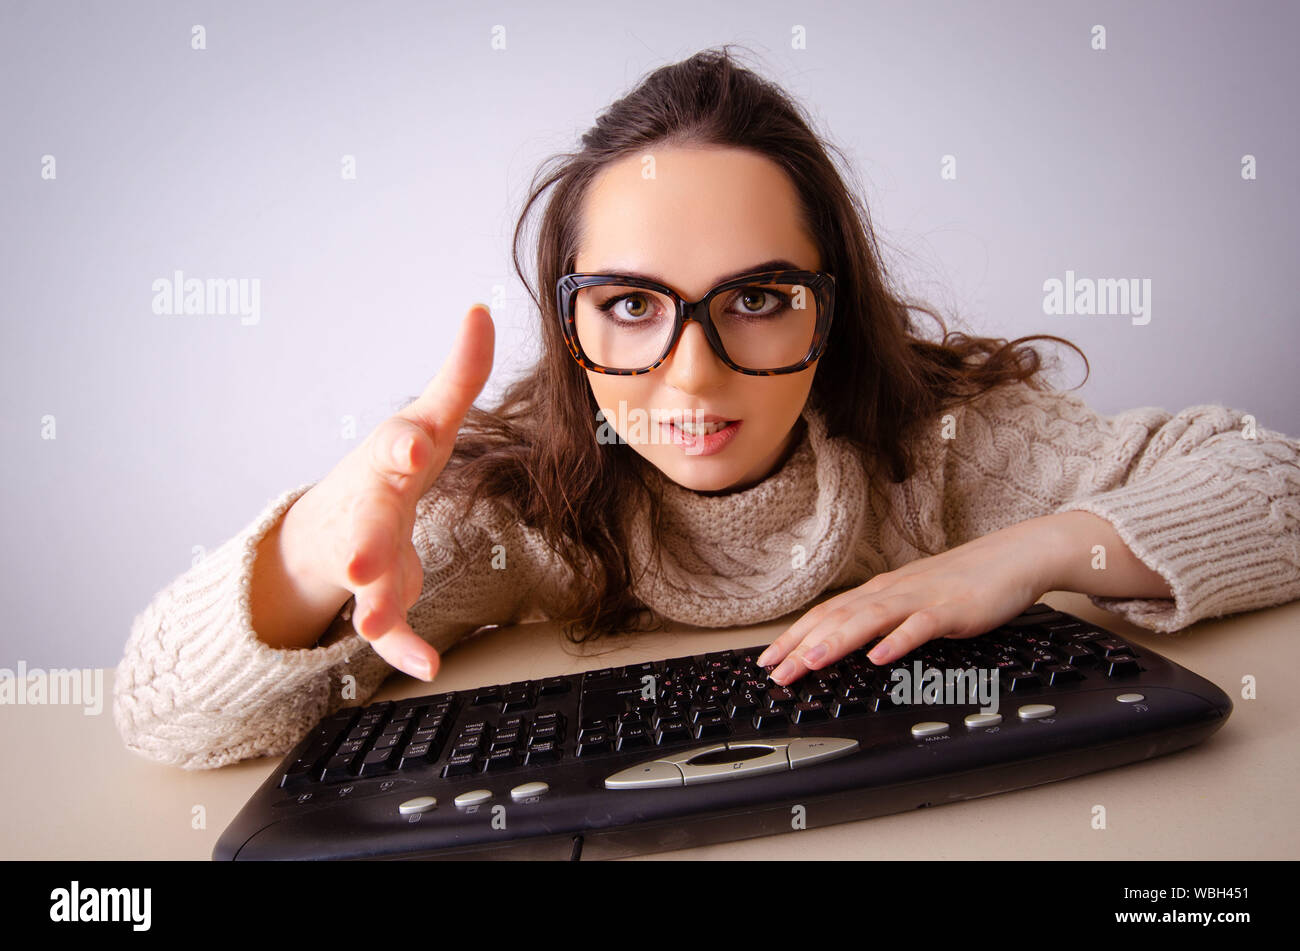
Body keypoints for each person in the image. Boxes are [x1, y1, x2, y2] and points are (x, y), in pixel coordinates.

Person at [114, 46, 1300, 769]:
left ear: (831, 307)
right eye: (630, 304)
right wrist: (313, 550)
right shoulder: (515, 513)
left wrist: (1029, 552)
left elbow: (1276, 481)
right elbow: (165, 723)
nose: (689, 376)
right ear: (565, 319)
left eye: (760, 297)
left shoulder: (949, 449)